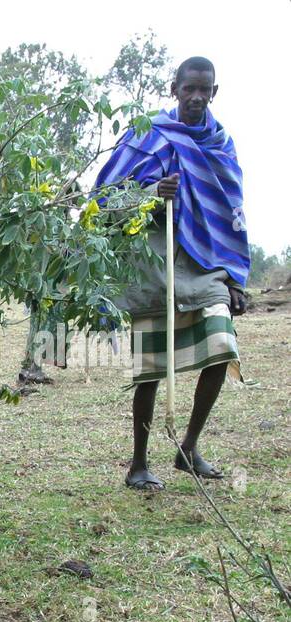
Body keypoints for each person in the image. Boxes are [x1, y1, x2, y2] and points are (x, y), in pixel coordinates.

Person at [94, 56, 250, 491]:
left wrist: (234, 278)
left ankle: (188, 447)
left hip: (203, 267)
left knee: (221, 346)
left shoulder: (220, 143)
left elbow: (230, 212)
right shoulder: (149, 135)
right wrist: (149, 192)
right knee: (150, 369)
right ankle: (138, 464)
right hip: (155, 267)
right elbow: (106, 199)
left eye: (205, 89)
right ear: (175, 88)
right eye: (189, 89)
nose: (197, 97)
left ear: (214, 92)